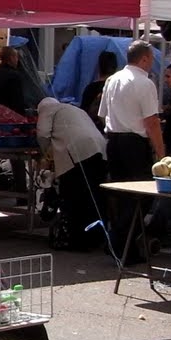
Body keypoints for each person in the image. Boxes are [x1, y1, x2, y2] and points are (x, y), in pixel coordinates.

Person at [35, 96, 109, 251]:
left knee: (75, 197)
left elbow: (42, 134)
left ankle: (78, 240)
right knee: (94, 196)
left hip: (78, 154)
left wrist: (47, 153)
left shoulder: (47, 109)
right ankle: (97, 237)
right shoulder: (75, 109)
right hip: (99, 149)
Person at [98, 41, 164, 181]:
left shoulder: (112, 79)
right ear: (144, 59)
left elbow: (102, 114)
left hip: (113, 141)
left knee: (118, 191)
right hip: (134, 143)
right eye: (151, 59)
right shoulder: (145, 83)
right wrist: (161, 153)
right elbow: (151, 122)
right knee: (140, 191)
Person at [0, 46, 28, 118]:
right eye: (16, 57)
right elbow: (17, 101)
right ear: (11, 58)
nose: (17, 60)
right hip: (7, 120)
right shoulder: (14, 76)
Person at [81, 52, 118, 127]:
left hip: (94, 129)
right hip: (114, 130)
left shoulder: (90, 88)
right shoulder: (118, 87)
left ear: (99, 67)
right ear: (116, 68)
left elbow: (83, 113)